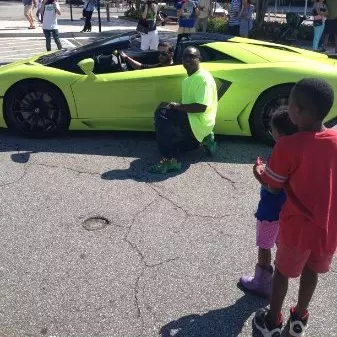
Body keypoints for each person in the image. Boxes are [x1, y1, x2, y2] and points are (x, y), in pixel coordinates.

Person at [253, 78, 337, 337]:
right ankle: (299, 318)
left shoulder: (288, 145)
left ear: (299, 111)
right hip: (329, 226)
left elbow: (273, 186)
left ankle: (272, 321)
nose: (287, 107)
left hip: (298, 225)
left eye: (290, 103)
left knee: (283, 273)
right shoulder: (335, 138)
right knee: (312, 270)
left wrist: (259, 171)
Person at [239, 108, 298, 298]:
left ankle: (261, 282)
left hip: (270, 211)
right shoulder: (298, 153)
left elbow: (273, 188)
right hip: (287, 210)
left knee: (265, 245)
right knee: (282, 243)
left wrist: (258, 172)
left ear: (277, 133)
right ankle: (280, 278)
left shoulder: (279, 153)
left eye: (271, 129)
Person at [149, 46, 218, 174]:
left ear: (200, 59)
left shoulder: (202, 78)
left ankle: (170, 160)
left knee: (162, 113)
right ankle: (205, 139)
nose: (188, 59)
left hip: (199, 122)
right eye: (185, 57)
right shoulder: (189, 78)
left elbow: (200, 107)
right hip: (198, 124)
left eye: (192, 56)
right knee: (164, 107)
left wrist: (175, 106)